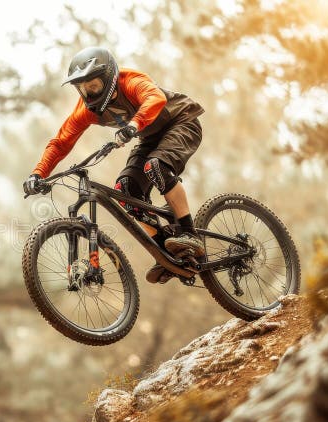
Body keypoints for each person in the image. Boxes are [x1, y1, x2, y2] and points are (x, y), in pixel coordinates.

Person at [23, 46, 206, 284]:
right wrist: (38, 174)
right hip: (149, 137)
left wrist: (133, 124)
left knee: (156, 166)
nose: (88, 93)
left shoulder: (129, 80)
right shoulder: (86, 111)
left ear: (108, 78)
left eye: (94, 86)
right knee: (125, 189)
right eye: (82, 88)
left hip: (182, 121)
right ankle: (171, 254)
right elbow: (60, 143)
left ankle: (189, 234)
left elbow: (155, 98)